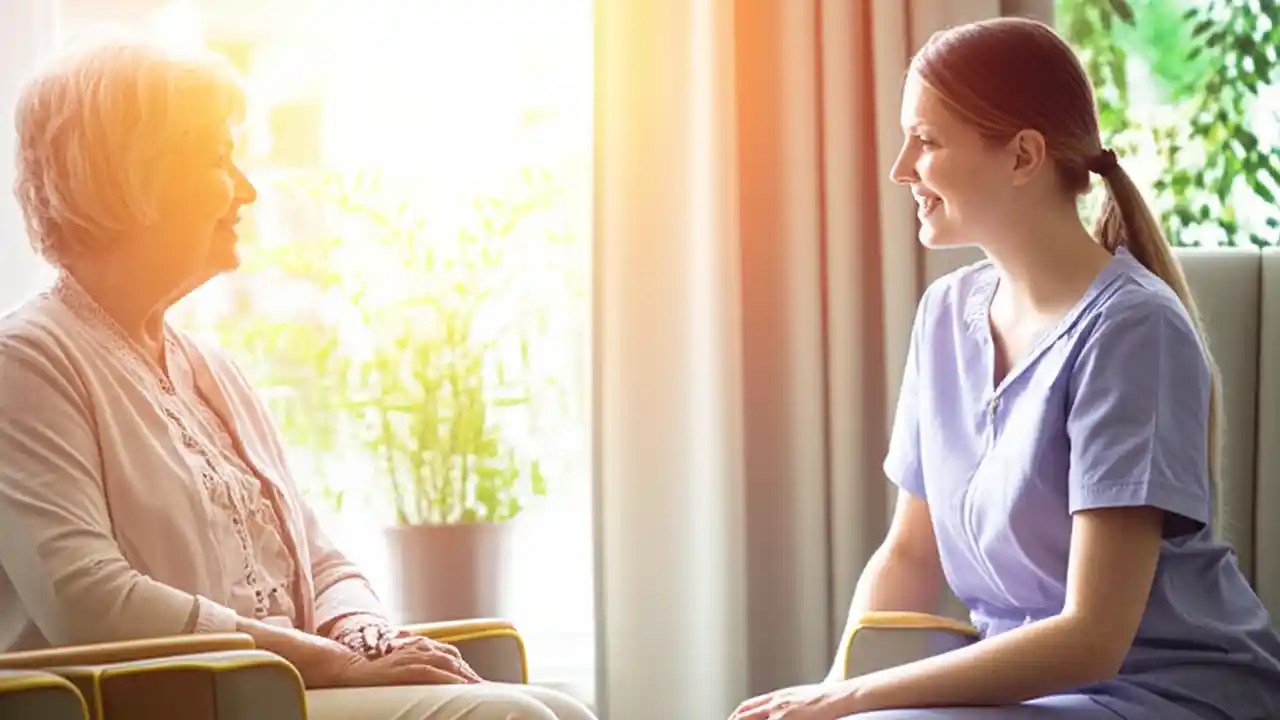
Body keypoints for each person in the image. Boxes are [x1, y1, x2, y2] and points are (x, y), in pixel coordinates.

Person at [0, 41, 595, 720]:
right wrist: (325, 661)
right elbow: (88, 601)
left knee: (556, 709)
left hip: (283, 693)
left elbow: (324, 563)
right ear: (130, 175)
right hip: (178, 704)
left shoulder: (211, 371)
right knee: (515, 717)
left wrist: (364, 637)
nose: (246, 190)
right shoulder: (28, 361)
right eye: (218, 158)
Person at [730, 17, 1280, 720]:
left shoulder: (1133, 330)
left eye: (926, 140)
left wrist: (855, 698)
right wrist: (834, 689)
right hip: (1031, 698)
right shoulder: (944, 315)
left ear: (1023, 156)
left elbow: (1092, 638)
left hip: (1168, 692)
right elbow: (910, 554)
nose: (901, 168)